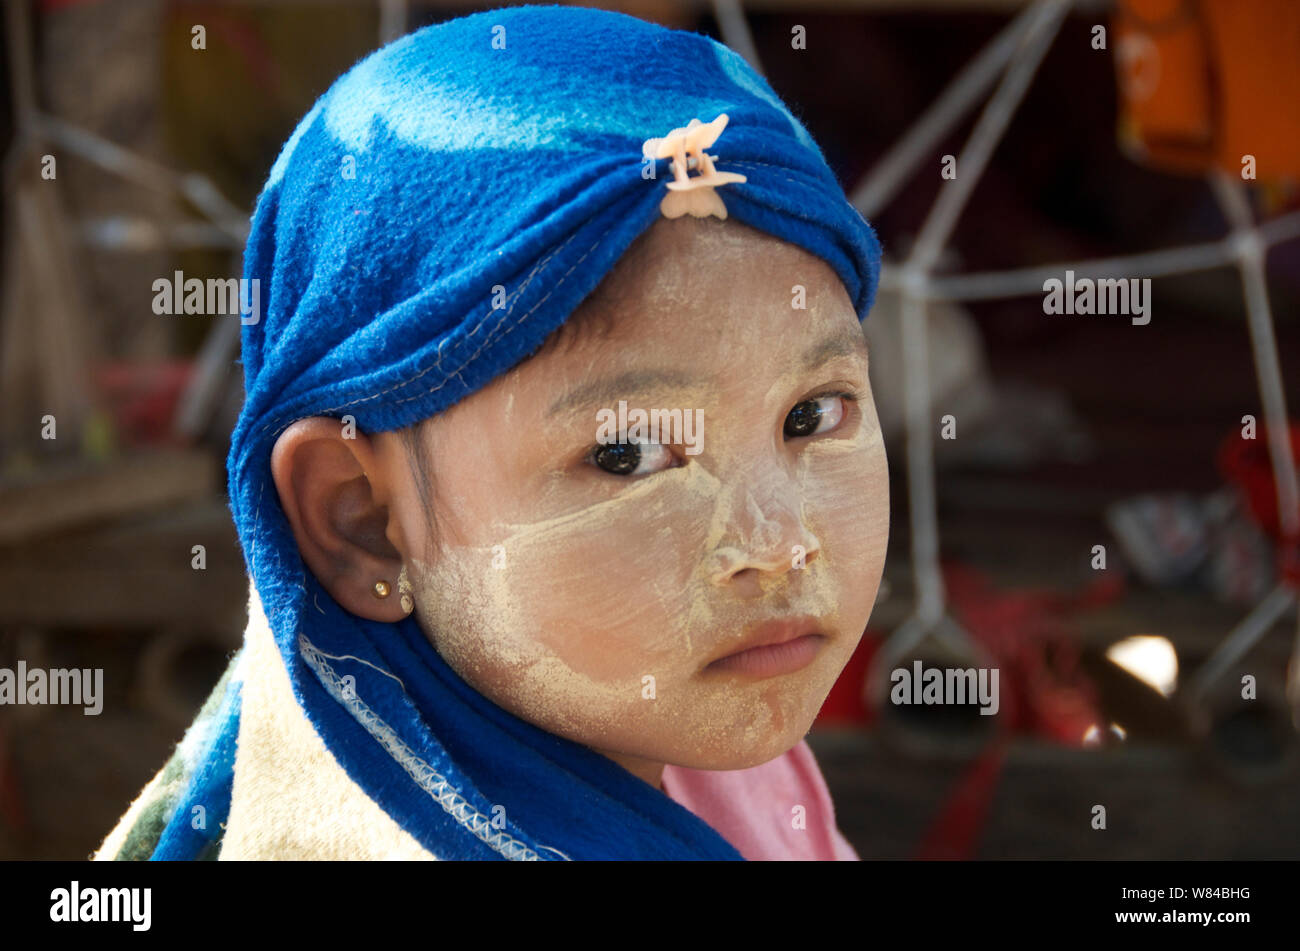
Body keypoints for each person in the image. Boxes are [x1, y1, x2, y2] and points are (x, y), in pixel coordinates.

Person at [95, 3, 887, 861]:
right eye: (628, 454)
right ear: (363, 520)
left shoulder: (712, 752)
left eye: (812, 415)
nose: (778, 544)